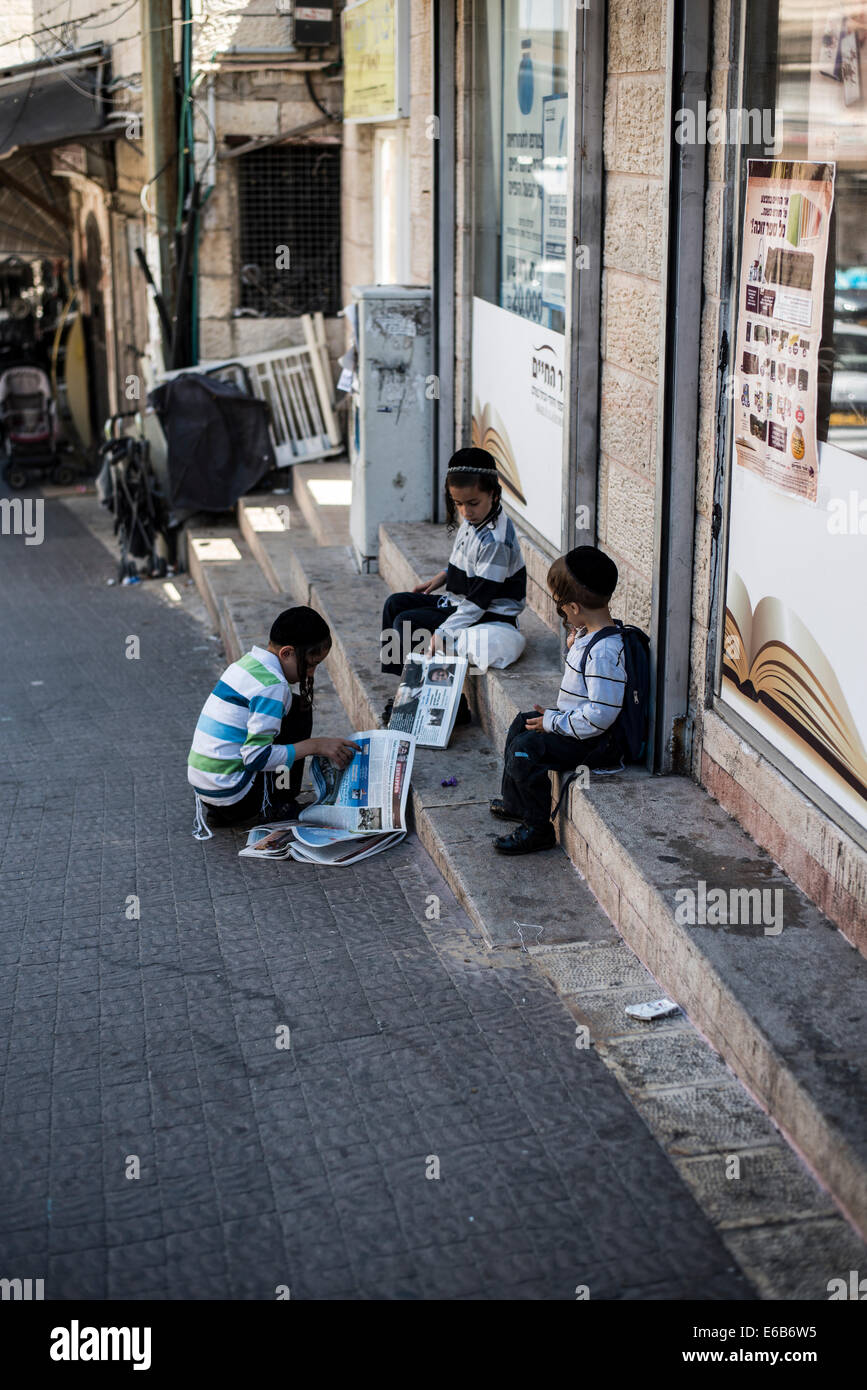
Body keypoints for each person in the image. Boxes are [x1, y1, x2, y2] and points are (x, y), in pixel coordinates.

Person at [491, 546, 628, 855]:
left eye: (560, 605)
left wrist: (553, 722)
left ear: (575, 607)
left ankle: (538, 828)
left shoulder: (604, 652)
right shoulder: (591, 634)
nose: (561, 612)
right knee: (521, 723)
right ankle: (517, 804)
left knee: (527, 750)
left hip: (593, 741)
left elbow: (599, 717)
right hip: (574, 725)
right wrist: (577, 636)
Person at [380, 447, 527, 722]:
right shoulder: (476, 519)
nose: (465, 511)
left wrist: (443, 633)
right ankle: (408, 689)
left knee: (408, 623)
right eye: (458, 503)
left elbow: (479, 602)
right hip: (461, 600)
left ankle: (447, 704)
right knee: (395, 604)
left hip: (488, 612)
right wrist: (443, 576)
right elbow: (469, 561)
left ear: (494, 494)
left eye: (472, 503)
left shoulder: (495, 540)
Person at [188, 606, 361, 838]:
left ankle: (230, 811)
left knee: (292, 707)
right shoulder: (273, 686)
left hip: (208, 793)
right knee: (300, 711)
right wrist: (316, 745)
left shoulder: (245, 665)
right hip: (236, 797)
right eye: (310, 664)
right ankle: (279, 803)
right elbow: (256, 758)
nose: (311, 674)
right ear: (287, 653)